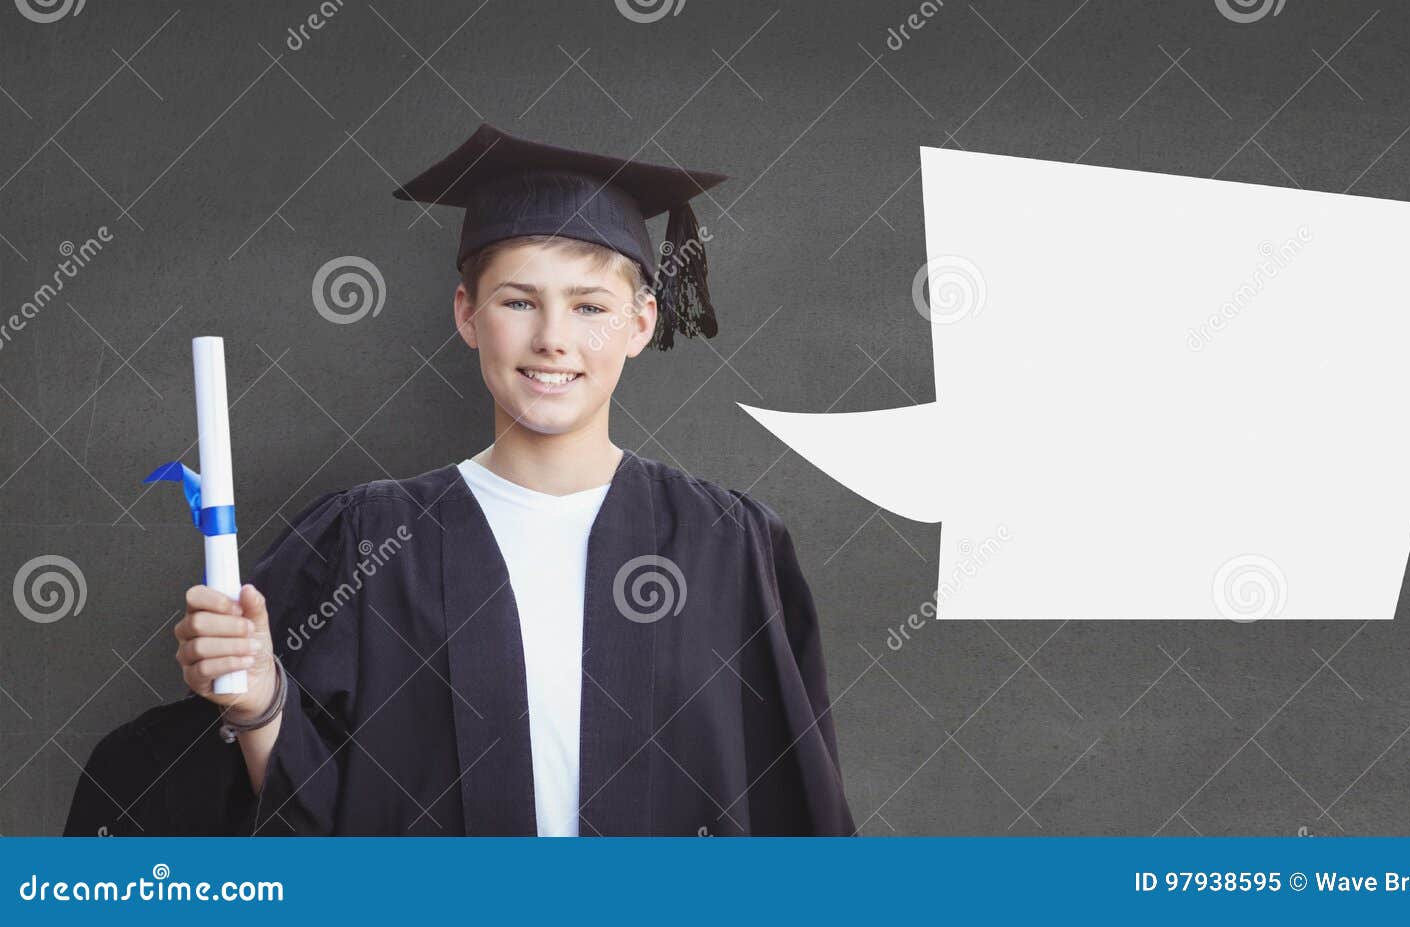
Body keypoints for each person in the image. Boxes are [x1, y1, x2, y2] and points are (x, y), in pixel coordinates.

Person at [65, 124, 853, 837]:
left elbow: (792, 808)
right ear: (468, 314)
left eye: (589, 305)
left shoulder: (727, 545)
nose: (553, 338)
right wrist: (259, 701)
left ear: (641, 323)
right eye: (519, 300)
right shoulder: (366, 542)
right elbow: (316, 826)